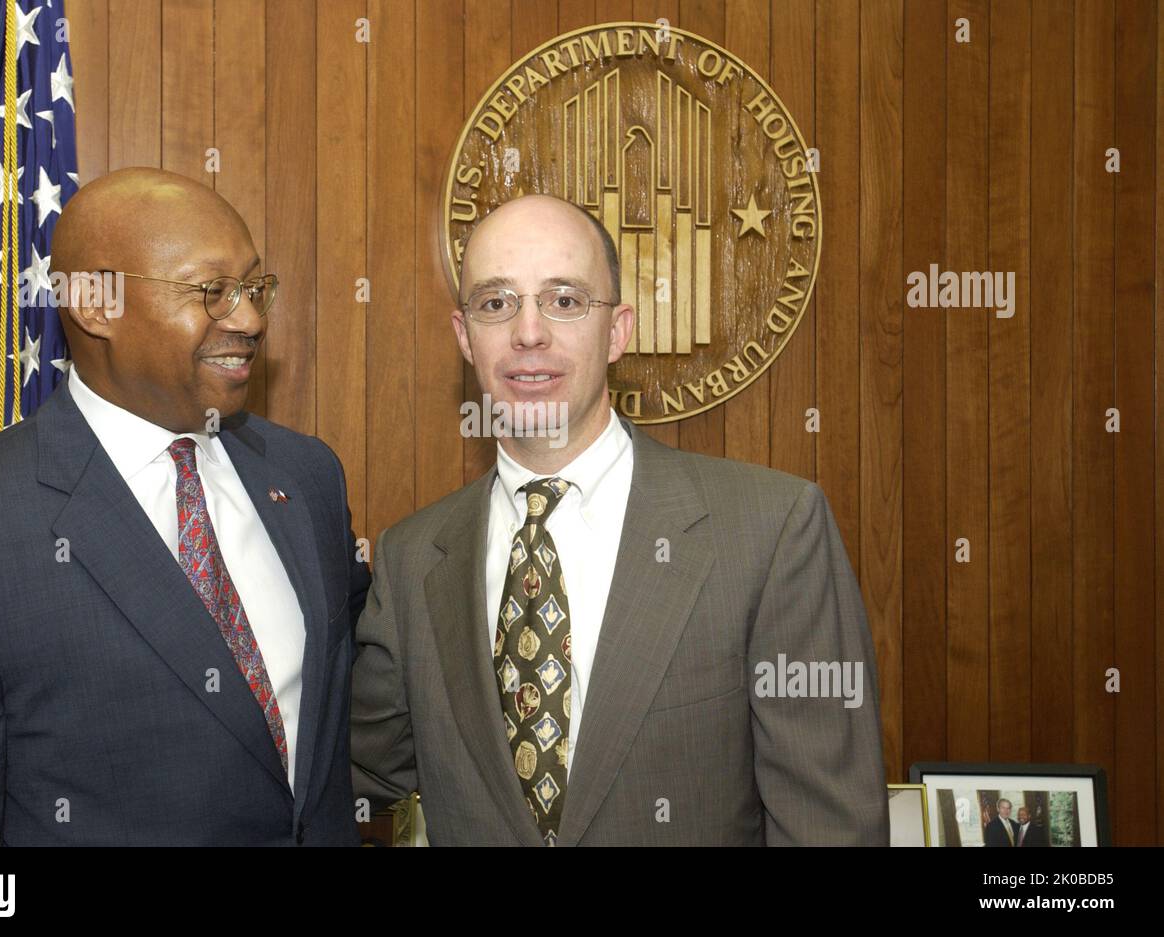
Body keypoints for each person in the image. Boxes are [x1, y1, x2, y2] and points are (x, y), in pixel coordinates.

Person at [350, 193, 888, 845]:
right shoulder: (410, 560)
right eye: (496, 302)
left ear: (619, 330)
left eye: (565, 300)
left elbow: (827, 826)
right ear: (465, 335)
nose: (528, 332)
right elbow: (349, 775)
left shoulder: (771, 532)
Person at [0, 167, 368, 845]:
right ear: (96, 305)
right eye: (212, 291)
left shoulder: (306, 479)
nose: (249, 318)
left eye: (254, 288)